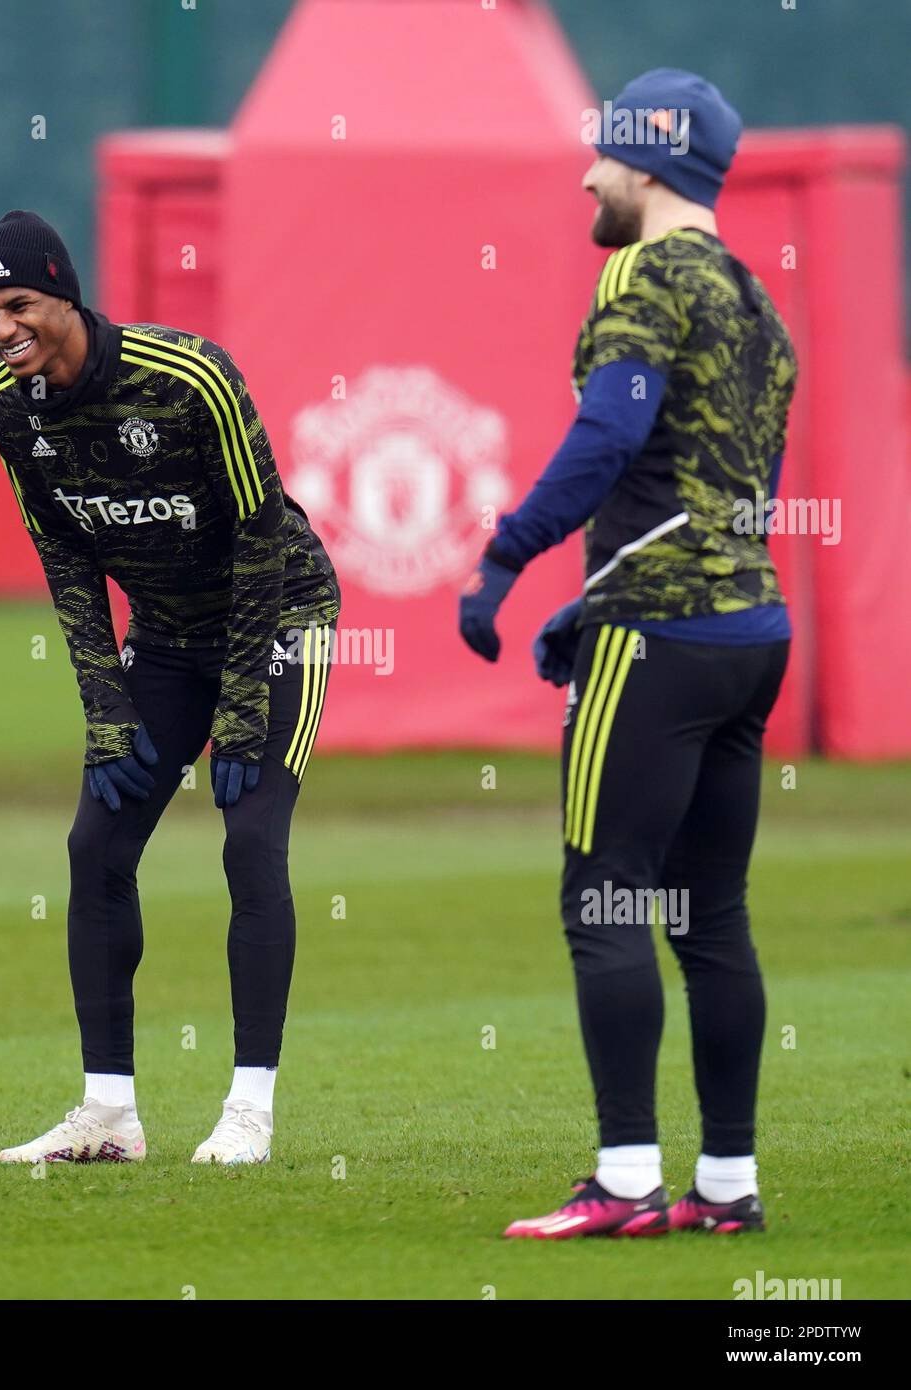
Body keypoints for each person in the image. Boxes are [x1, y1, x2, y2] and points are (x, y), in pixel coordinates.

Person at [459, 71, 797, 1237]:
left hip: (658, 636)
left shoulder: (642, 272)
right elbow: (740, 491)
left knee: (604, 897)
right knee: (713, 918)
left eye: (601, 156)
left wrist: (509, 556)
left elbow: (609, 431)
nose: (587, 177)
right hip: (752, 631)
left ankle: (624, 1180)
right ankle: (728, 1185)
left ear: (647, 166)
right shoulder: (759, 303)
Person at [0, 210, 340, 1166]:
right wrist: (104, 707)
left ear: (66, 295)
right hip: (168, 639)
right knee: (95, 844)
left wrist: (245, 706)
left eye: (18, 306)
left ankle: (249, 1111)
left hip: (281, 617)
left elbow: (261, 532)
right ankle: (109, 1115)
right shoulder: (6, 411)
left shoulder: (190, 377)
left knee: (252, 839)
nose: (2, 329)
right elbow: (62, 553)